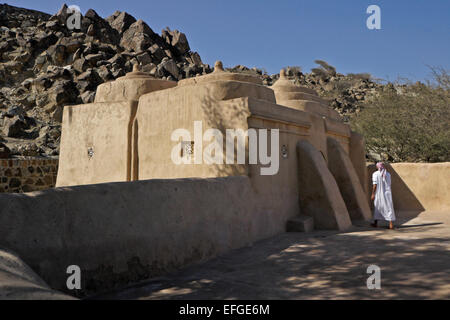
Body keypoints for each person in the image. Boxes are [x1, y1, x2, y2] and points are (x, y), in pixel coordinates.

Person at [371, 162, 396, 229]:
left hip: (379, 194)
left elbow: (375, 185)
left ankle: (376, 223)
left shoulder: (375, 174)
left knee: (378, 207)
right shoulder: (388, 174)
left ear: (377, 167)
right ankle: (390, 224)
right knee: (388, 207)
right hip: (387, 194)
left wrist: (373, 194)